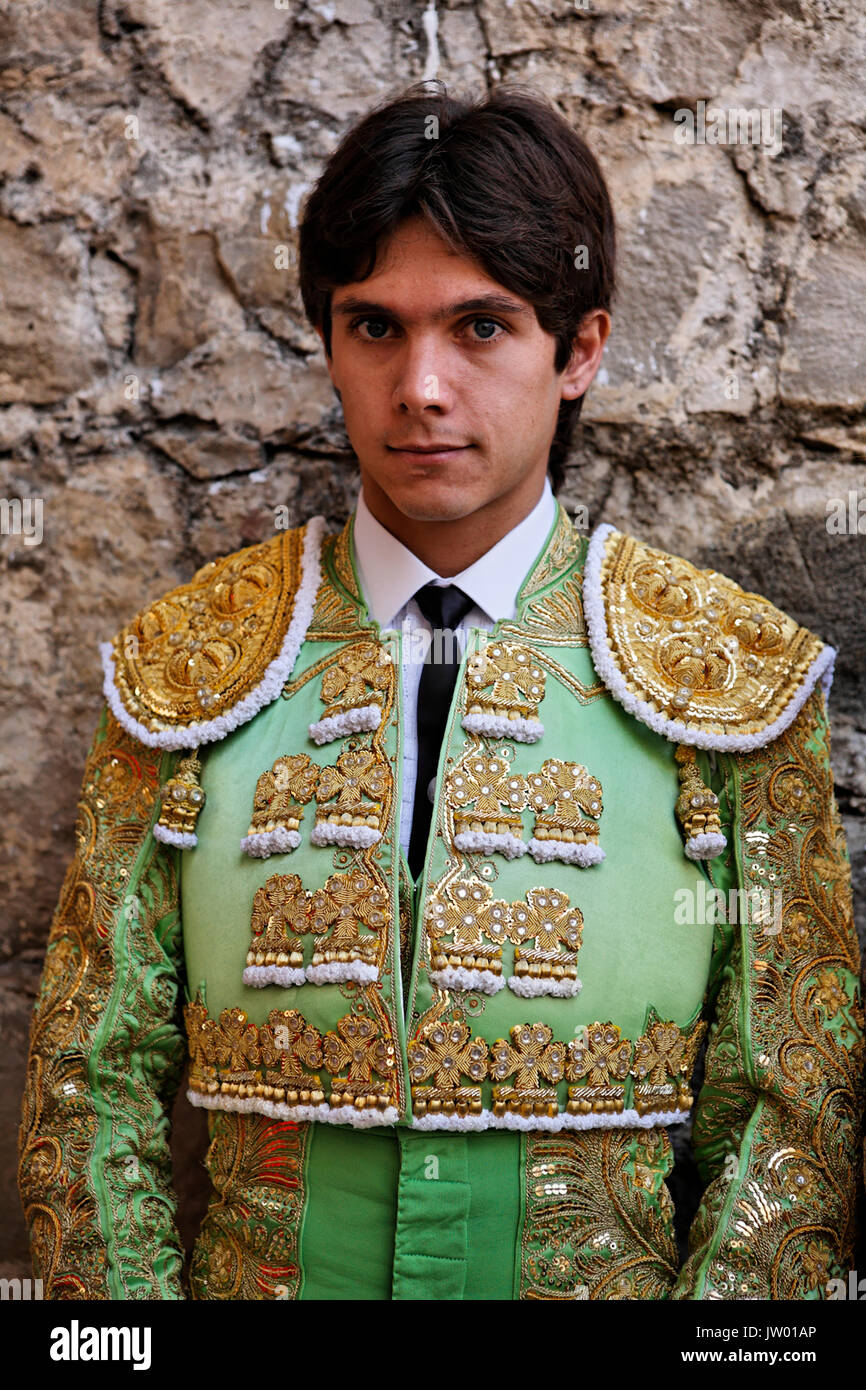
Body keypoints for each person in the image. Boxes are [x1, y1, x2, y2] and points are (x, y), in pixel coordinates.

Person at [18, 82, 863, 1301]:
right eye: (373, 328)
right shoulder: (185, 664)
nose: (418, 386)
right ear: (330, 345)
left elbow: (791, 1105)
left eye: (479, 328)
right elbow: (86, 1082)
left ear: (577, 351)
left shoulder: (729, 675)